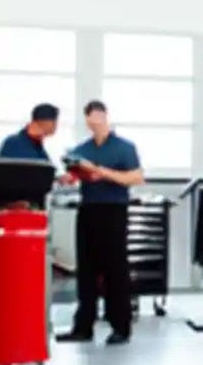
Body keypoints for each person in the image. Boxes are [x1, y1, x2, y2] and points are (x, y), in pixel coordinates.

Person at [56, 100, 144, 346]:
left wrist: (102, 173)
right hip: (88, 209)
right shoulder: (82, 148)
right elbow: (77, 175)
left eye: (98, 117)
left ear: (105, 116)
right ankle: (83, 326)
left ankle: (120, 326)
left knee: (115, 269)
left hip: (113, 211)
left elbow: (136, 177)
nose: (94, 122)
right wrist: (69, 177)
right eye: (89, 119)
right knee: (86, 270)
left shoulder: (124, 147)